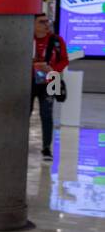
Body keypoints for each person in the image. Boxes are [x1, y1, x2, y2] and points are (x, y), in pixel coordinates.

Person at [31, 12, 69, 162]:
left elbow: (64, 60)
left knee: (47, 114)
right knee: (22, 114)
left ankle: (46, 148)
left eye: (47, 21)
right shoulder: (26, 39)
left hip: (51, 80)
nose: (46, 24)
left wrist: (52, 70)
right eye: (42, 22)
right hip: (28, 81)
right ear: (33, 24)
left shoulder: (56, 40)